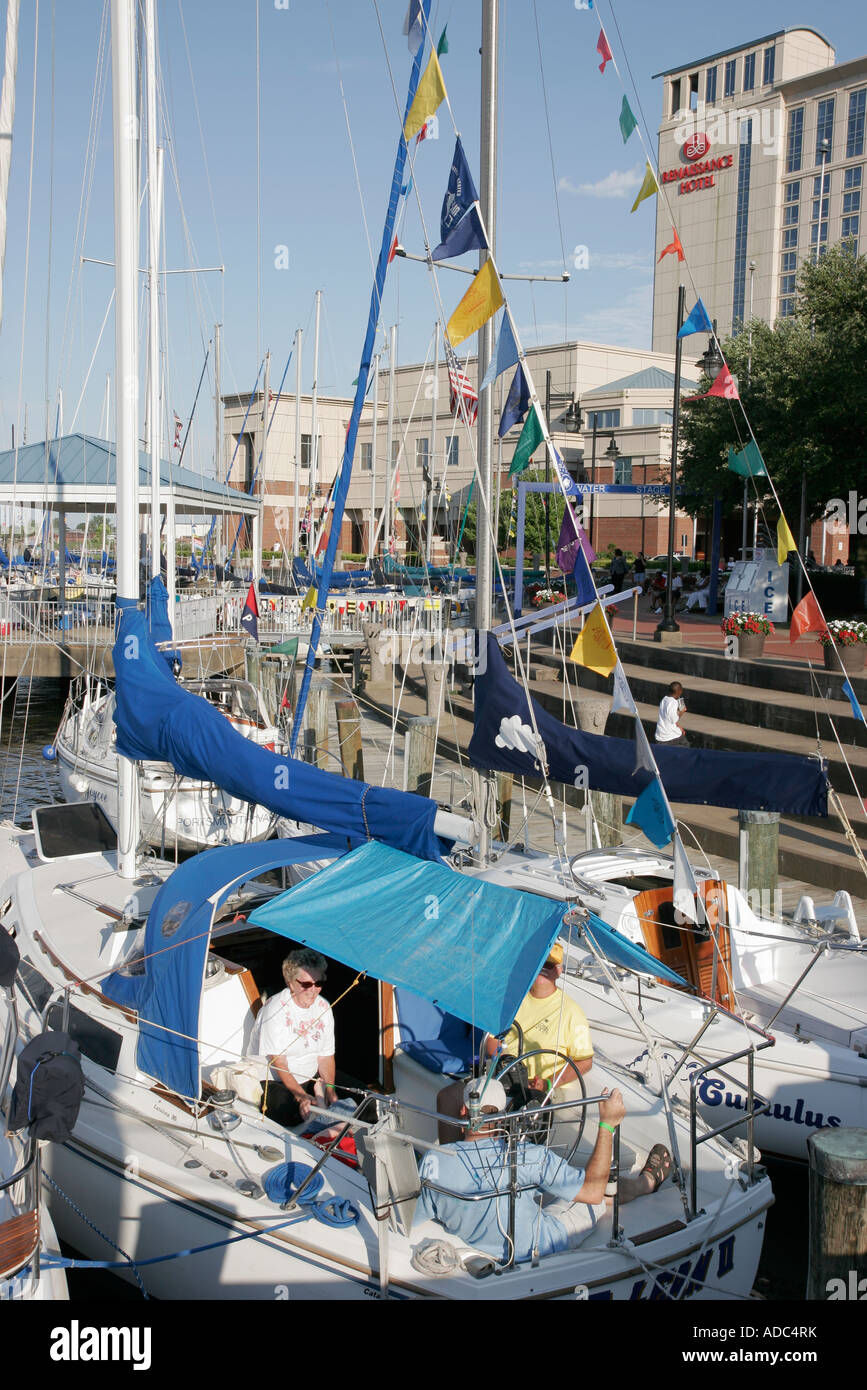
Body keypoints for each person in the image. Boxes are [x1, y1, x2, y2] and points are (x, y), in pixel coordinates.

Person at [416, 1078, 672, 1263]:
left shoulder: (433, 1162)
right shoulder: (528, 1156)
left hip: (476, 1246)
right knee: (601, 1192)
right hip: (541, 1245)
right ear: (505, 1115)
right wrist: (607, 1125)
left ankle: (628, 1181)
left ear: (463, 1112)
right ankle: (646, 1182)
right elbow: (592, 1192)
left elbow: (412, 1213)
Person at [436, 945, 592, 1146]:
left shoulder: (572, 1012)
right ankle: (452, 1158)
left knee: (504, 1111)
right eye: (539, 963)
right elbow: (492, 1039)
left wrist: (548, 1083)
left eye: (549, 965)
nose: (543, 969)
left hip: (539, 1086)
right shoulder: (513, 999)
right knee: (448, 1098)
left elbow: (585, 1062)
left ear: (559, 970)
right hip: (503, 1075)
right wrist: (506, 1061)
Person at [251, 948, 336, 1126]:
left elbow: (326, 1055)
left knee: (359, 1103)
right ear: (290, 983)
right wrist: (301, 1095)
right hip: (274, 1079)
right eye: (306, 984)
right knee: (292, 1113)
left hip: (310, 1077)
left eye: (318, 983)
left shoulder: (324, 1007)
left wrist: (330, 1088)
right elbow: (279, 1063)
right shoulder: (275, 1009)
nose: (313, 990)